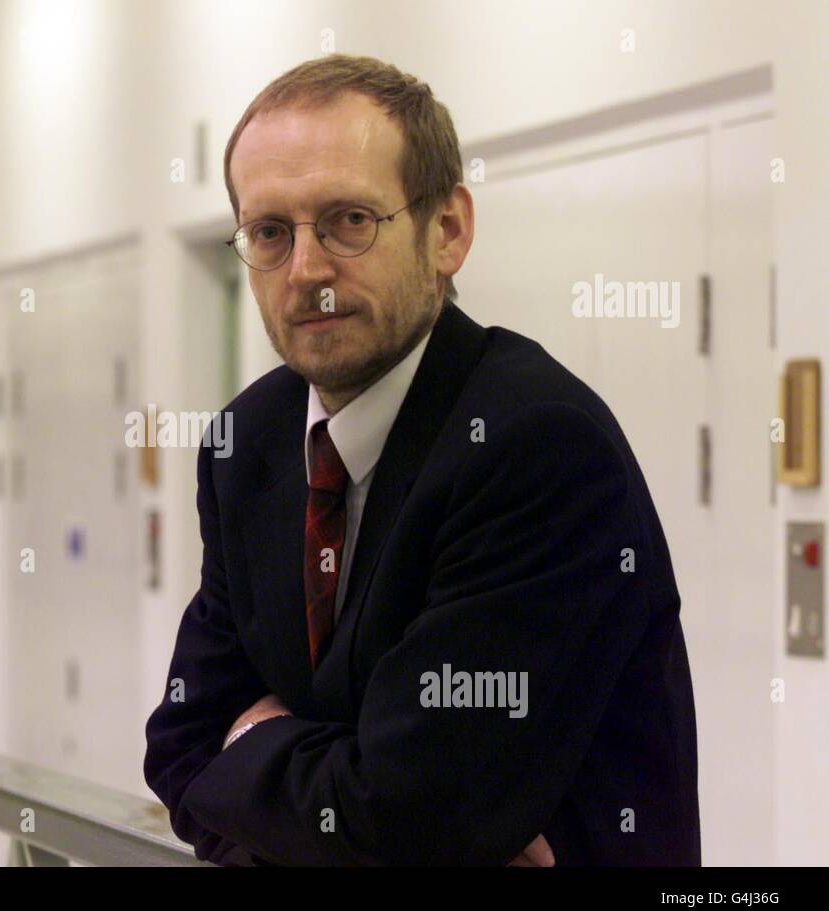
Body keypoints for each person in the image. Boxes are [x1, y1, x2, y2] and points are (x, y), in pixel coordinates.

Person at [143, 54, 701, 866]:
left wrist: (255, 749)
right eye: (270, 232)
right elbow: (181, 747)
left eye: (348, 220)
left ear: (448, 231)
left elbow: (415, 810)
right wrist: (329, 799)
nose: (306, 271)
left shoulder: (536, 445)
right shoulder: (246, 442)